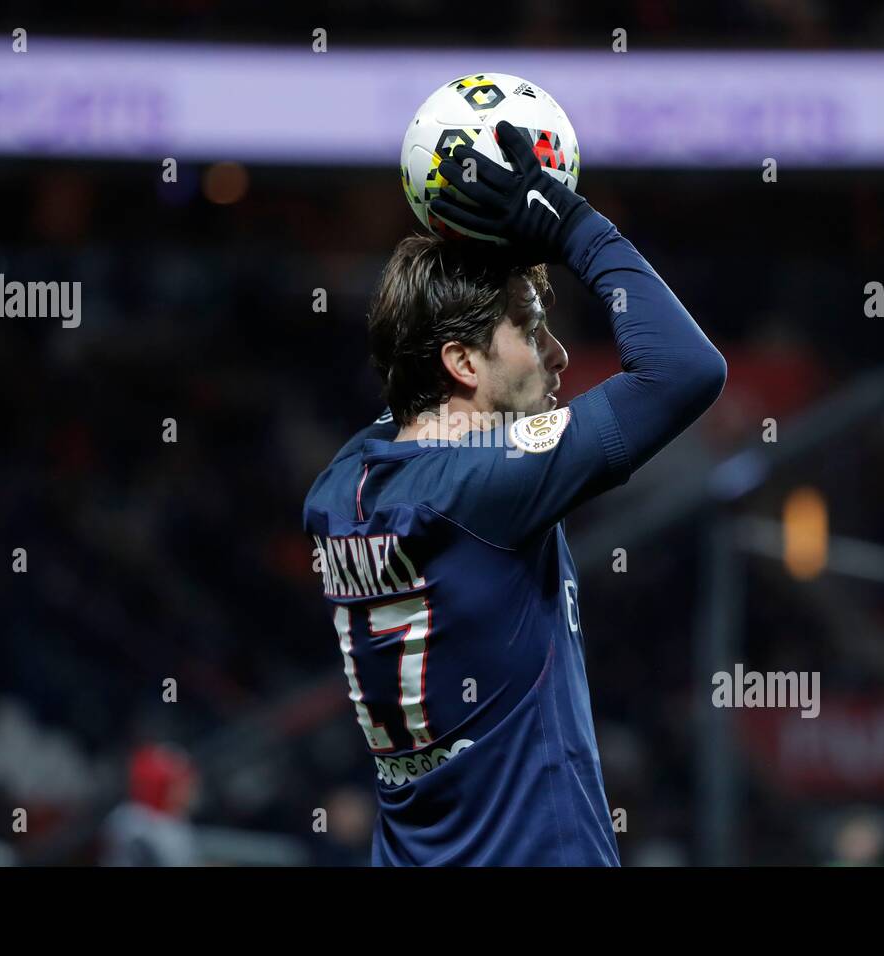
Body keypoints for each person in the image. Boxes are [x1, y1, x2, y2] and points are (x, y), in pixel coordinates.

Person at [302, 121, 726, 865]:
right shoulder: (487, 486)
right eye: (532, 330)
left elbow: (412, 397)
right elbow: (684, 370)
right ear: (463, 362)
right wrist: (572, 225)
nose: (559, 355)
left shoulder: (340, 487)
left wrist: (461, 242)